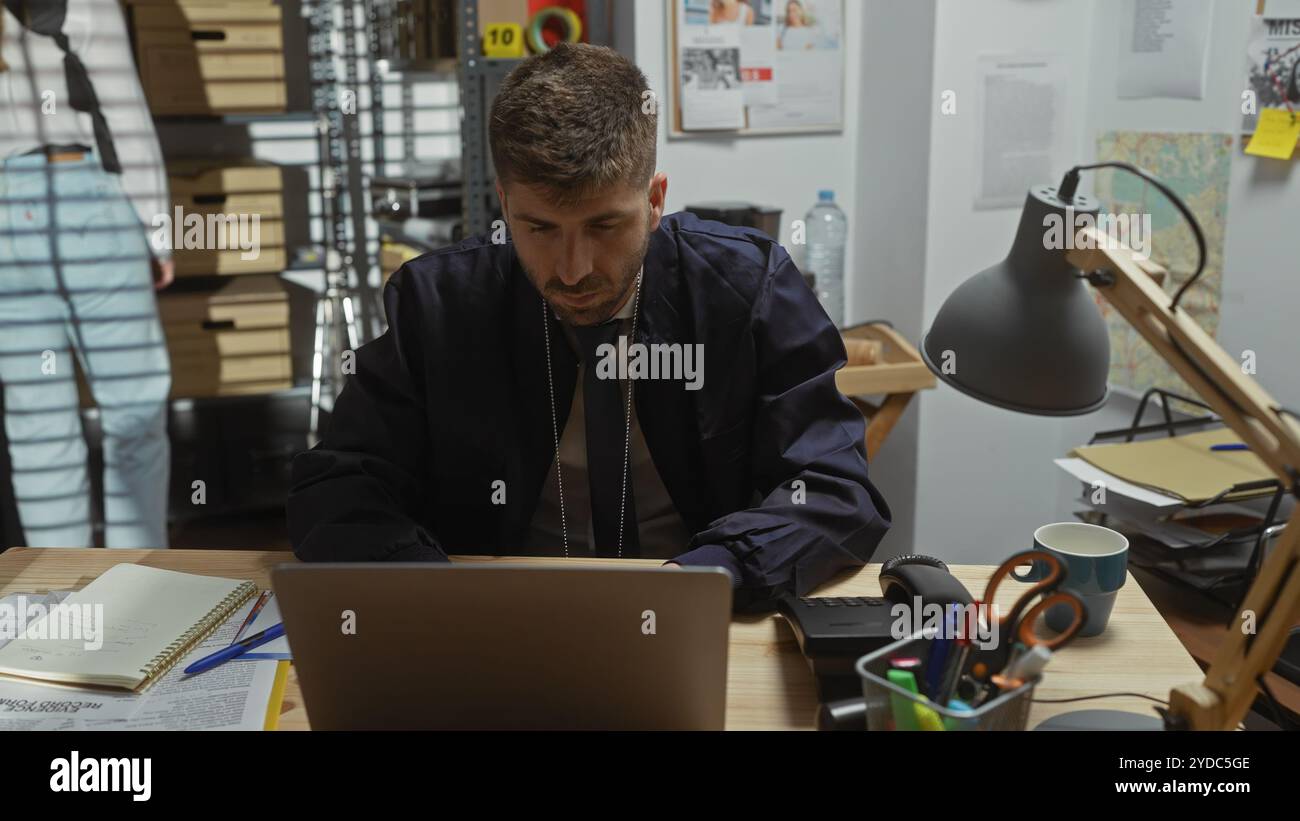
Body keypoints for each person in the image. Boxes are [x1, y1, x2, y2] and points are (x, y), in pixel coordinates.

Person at [287, 43, 890, 611]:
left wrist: (712, 574)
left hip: (691, 608)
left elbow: (835, 488)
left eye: (604, 227)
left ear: (655, 201)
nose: (572, 272)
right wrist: (440, 595)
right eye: (540, 229)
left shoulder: (746, 288)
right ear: (503, 203)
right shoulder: (438, 304)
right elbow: (340, 488)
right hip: (491, 619)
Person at [0, 0, 173, 548]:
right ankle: (135, 589)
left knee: (38, 428)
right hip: (79, 194)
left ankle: (59, 600)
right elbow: (124, 115)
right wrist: (157, 232)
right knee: (134, 413)